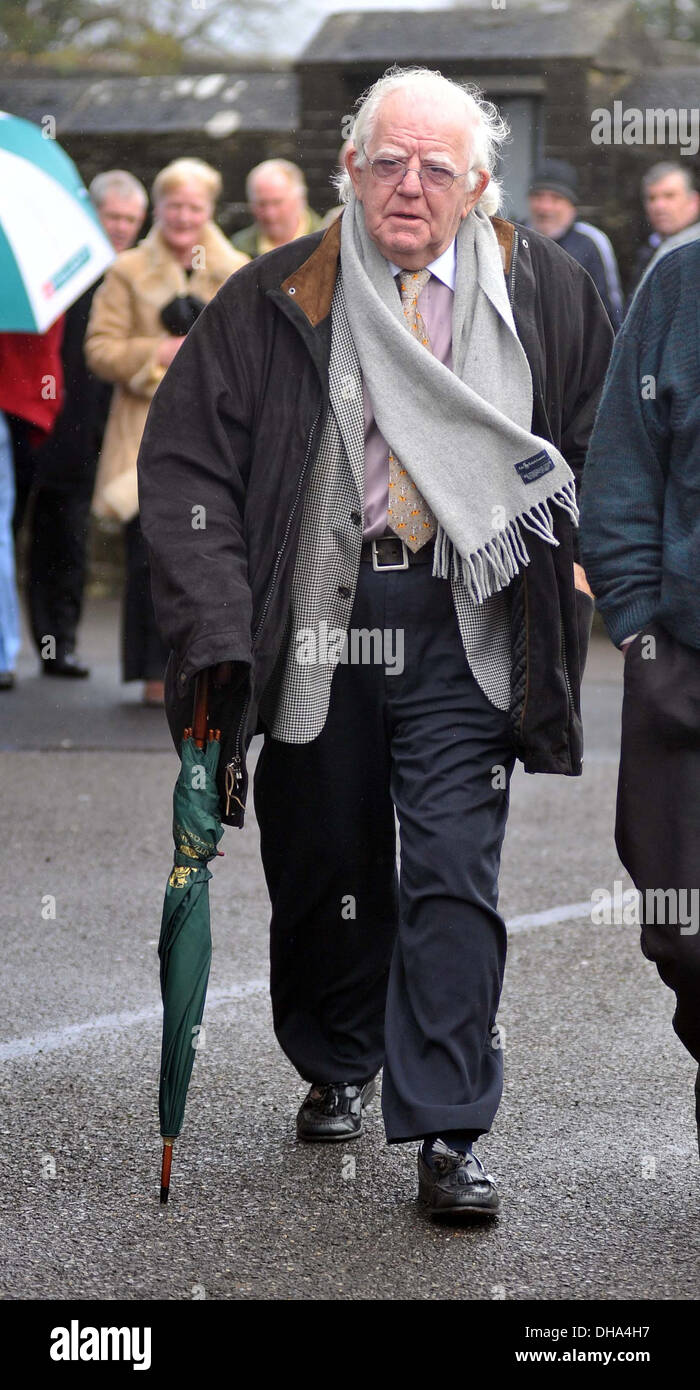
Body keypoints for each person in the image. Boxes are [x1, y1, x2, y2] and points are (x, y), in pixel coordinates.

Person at [138, 66, 612, 1217]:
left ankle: (449, 1126)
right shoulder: (271, 298)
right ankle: (336, 1053)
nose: (409, 185)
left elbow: (597, 444)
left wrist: (609, 571)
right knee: (328, 864)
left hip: (463, 613)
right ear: (347, 170)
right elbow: (188, 470)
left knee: (455, 870)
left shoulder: (544, 291)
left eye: (435, 168)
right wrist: (213, 626)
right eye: (387, 162)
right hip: (318, 618)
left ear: (477, 185)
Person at [579, 240, 700, 1159]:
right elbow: (623, 459)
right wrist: (634, 622)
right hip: (685, 659)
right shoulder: (680, 277)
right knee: (684, 932)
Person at [86, 158, 248, 705]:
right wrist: (159, 352)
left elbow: (252, 355)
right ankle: (153, 673)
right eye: (174, 205)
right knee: (146, 553)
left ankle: (212, 669)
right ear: (159, 209)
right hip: (143, 433)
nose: (184, 217)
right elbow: (99, 350)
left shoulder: (239, 268)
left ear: (210, 211)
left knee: (212, 552)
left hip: (216, 435)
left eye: (195, 206)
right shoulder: (127, 271)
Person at [22, 170, 148, 680]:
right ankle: (57, 647)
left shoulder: (140, 273)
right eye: (112, 216)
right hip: (65, 421)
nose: (120, 227)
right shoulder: (67, 270)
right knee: (60, 535)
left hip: (120, 423)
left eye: (129, 219)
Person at [527, 159, 623, 330]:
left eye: (556, 199)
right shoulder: (513, 236)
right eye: (538, 197)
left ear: (572, 205)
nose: (545, 207)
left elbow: (607, 310)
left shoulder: (591, 242)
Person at [231, 159, 323, 258]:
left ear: (300, 199)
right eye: (262, 204)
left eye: (277, 202)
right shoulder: (237, 250)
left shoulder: (328, 241)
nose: (270, 213)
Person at [631, 162, 700, 289]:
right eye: (652, 198)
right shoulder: (648, 250)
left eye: (669, 196)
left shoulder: (694, 253)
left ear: (694, 202)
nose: (659, 206)